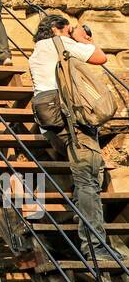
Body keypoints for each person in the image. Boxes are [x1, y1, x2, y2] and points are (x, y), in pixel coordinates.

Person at [28, 13, 114, 239]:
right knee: (88, 182)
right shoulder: (59, 42)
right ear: (57, 29)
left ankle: (83, 225)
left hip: (51, 127)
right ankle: (96, 247)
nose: (74, 32)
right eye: (69, 29)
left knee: (87, 177)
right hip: (72, 122)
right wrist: (81, 38)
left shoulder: (38, 51)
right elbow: (100, 57)